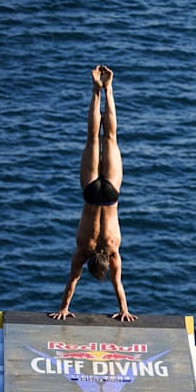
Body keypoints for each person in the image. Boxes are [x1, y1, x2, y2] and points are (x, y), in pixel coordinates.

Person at [49, 65, 136, 321]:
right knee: (94, 139)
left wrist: (124, 309)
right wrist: (64, 307)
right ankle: (99, 90)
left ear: (105, 264)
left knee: (107, 138)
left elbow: (117, 286)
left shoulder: (111, 250)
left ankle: (105, 89)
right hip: (90, 192)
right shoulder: (84, 250)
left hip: (109, 193)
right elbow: (73, 281)